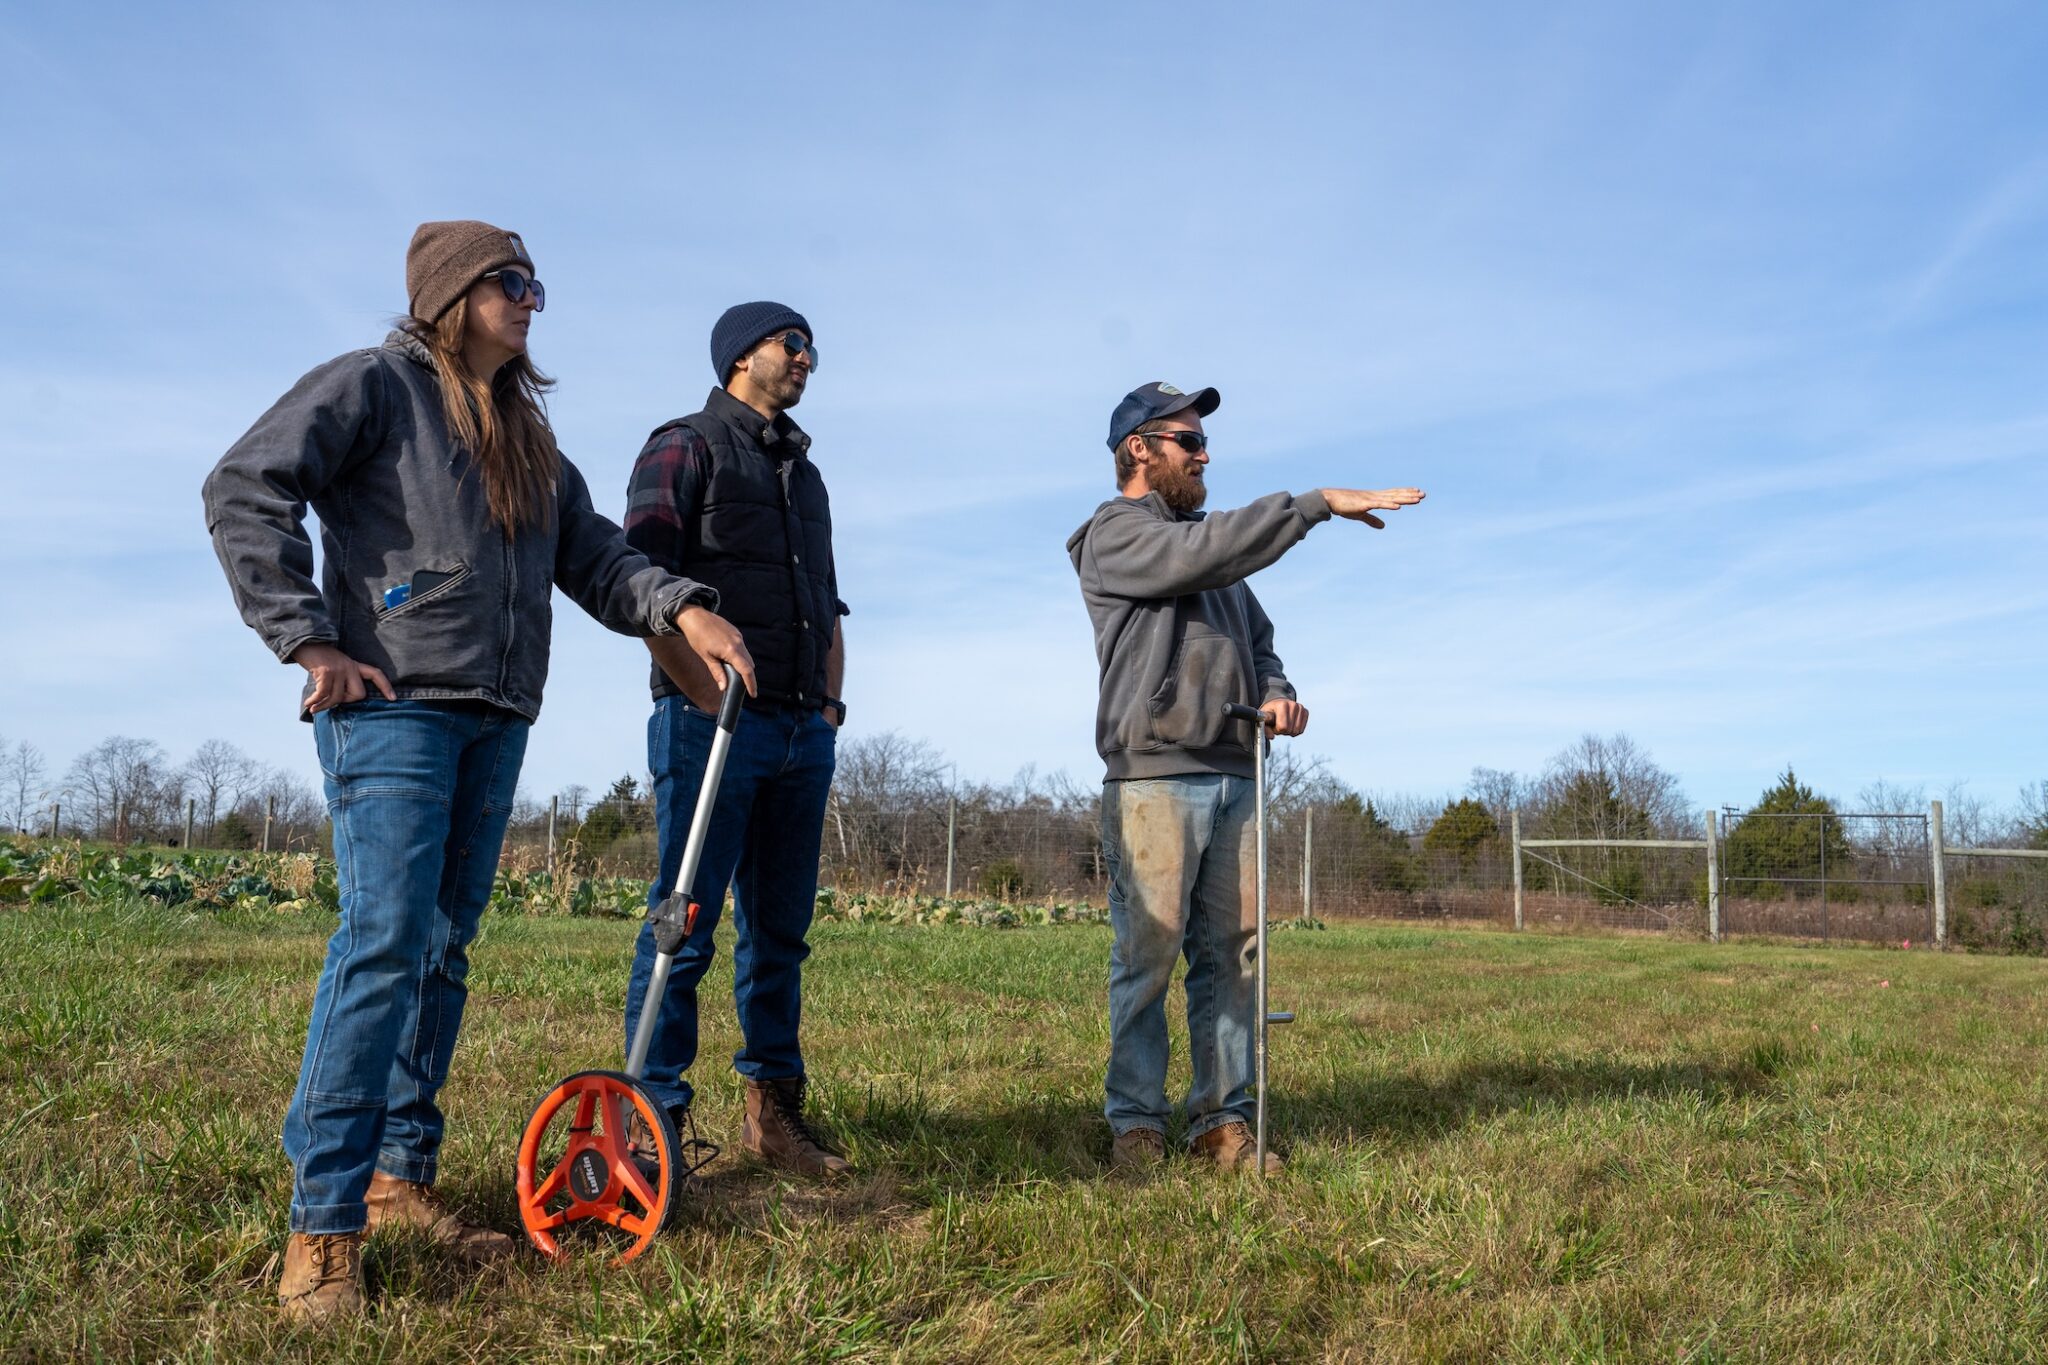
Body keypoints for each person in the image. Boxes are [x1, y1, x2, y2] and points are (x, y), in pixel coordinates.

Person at [203, 221, 755, 1321]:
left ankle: (402, 1176)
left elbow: (593, 554)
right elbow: (245, 485)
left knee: (443, 948)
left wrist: (677, 602)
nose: (531, 299)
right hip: (394, 705)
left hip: (497, 713)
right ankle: (324, 1223)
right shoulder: (373, 386)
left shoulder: (529, 439)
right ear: (451, 295)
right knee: (385, 939)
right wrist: (308, 636)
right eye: (510, 282)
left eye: (535, 283)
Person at [1066, 382, 1424, 1174]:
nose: (1203, 453)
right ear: (1139, 448)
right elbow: (1203, 551)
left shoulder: (1226, 568)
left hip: (1238, 776)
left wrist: (1278, 696)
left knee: (1234, 957)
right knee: (1148, 959)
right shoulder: (1113, 534)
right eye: (1187, 440)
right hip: (1155, 780)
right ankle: (1135, 1123)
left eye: (1203, 441)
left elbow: (1262, 645)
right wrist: (1314, 504)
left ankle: (1222, 1122)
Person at [619, 302, 851, 1178]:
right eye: (793, 345)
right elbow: (640, 584)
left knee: (780, 932)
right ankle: (654, 1121)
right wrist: (708, 698)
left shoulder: (807, 474)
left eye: (812, 349)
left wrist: (828, 709)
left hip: (801, 730)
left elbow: (828, 598)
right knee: (683, 924)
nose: (807, 360)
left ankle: (773, 1112)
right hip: (707, 725)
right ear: (741, 354)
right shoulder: (685, 444)